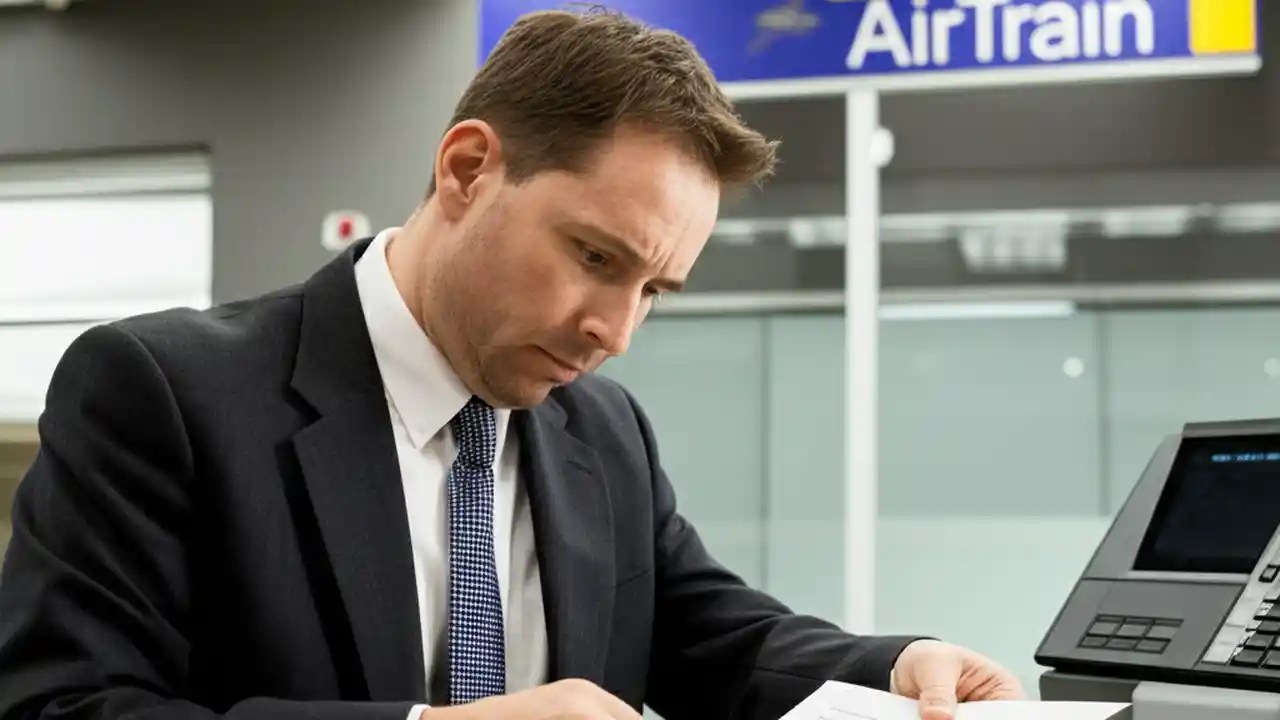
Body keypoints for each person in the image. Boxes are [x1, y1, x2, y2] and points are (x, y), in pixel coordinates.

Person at [0, 8, 1024, 720]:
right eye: (593, 258)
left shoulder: (601, 431)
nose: (614, 332)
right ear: (466, 170)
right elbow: (65, 706)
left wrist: (891, 668)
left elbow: (713, 637)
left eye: (653, 291)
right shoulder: (164, 393)